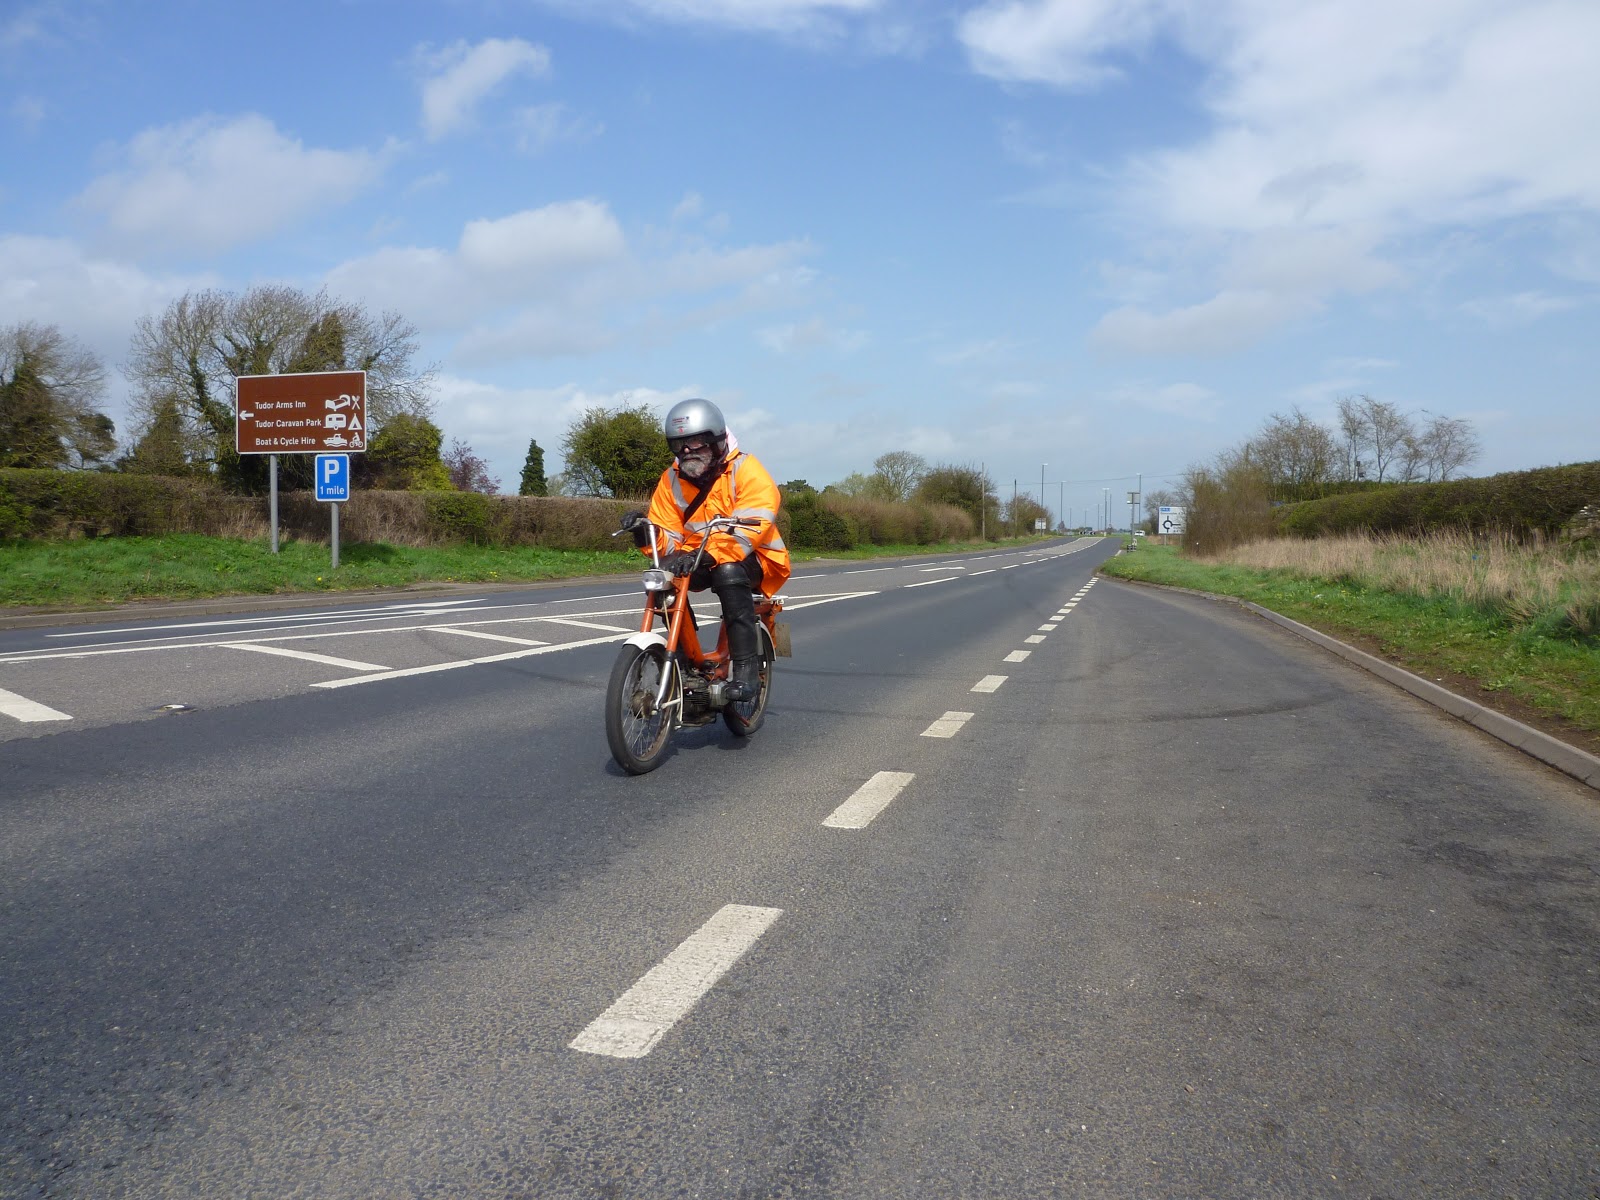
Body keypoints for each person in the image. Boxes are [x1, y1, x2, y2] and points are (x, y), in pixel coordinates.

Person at [620, 398, 790, 702]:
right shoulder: (671, 479)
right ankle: (684, 662)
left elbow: (752, 527)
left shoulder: (747, 470)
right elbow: (669, 538)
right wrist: (646, 534)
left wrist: (713, 553)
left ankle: (746, 669)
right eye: (679, 445)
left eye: (695, 442)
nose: (687, 452)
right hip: (696, 558)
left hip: (757, 558)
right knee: (663, 580)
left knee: (727, 573)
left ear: (716, 440)